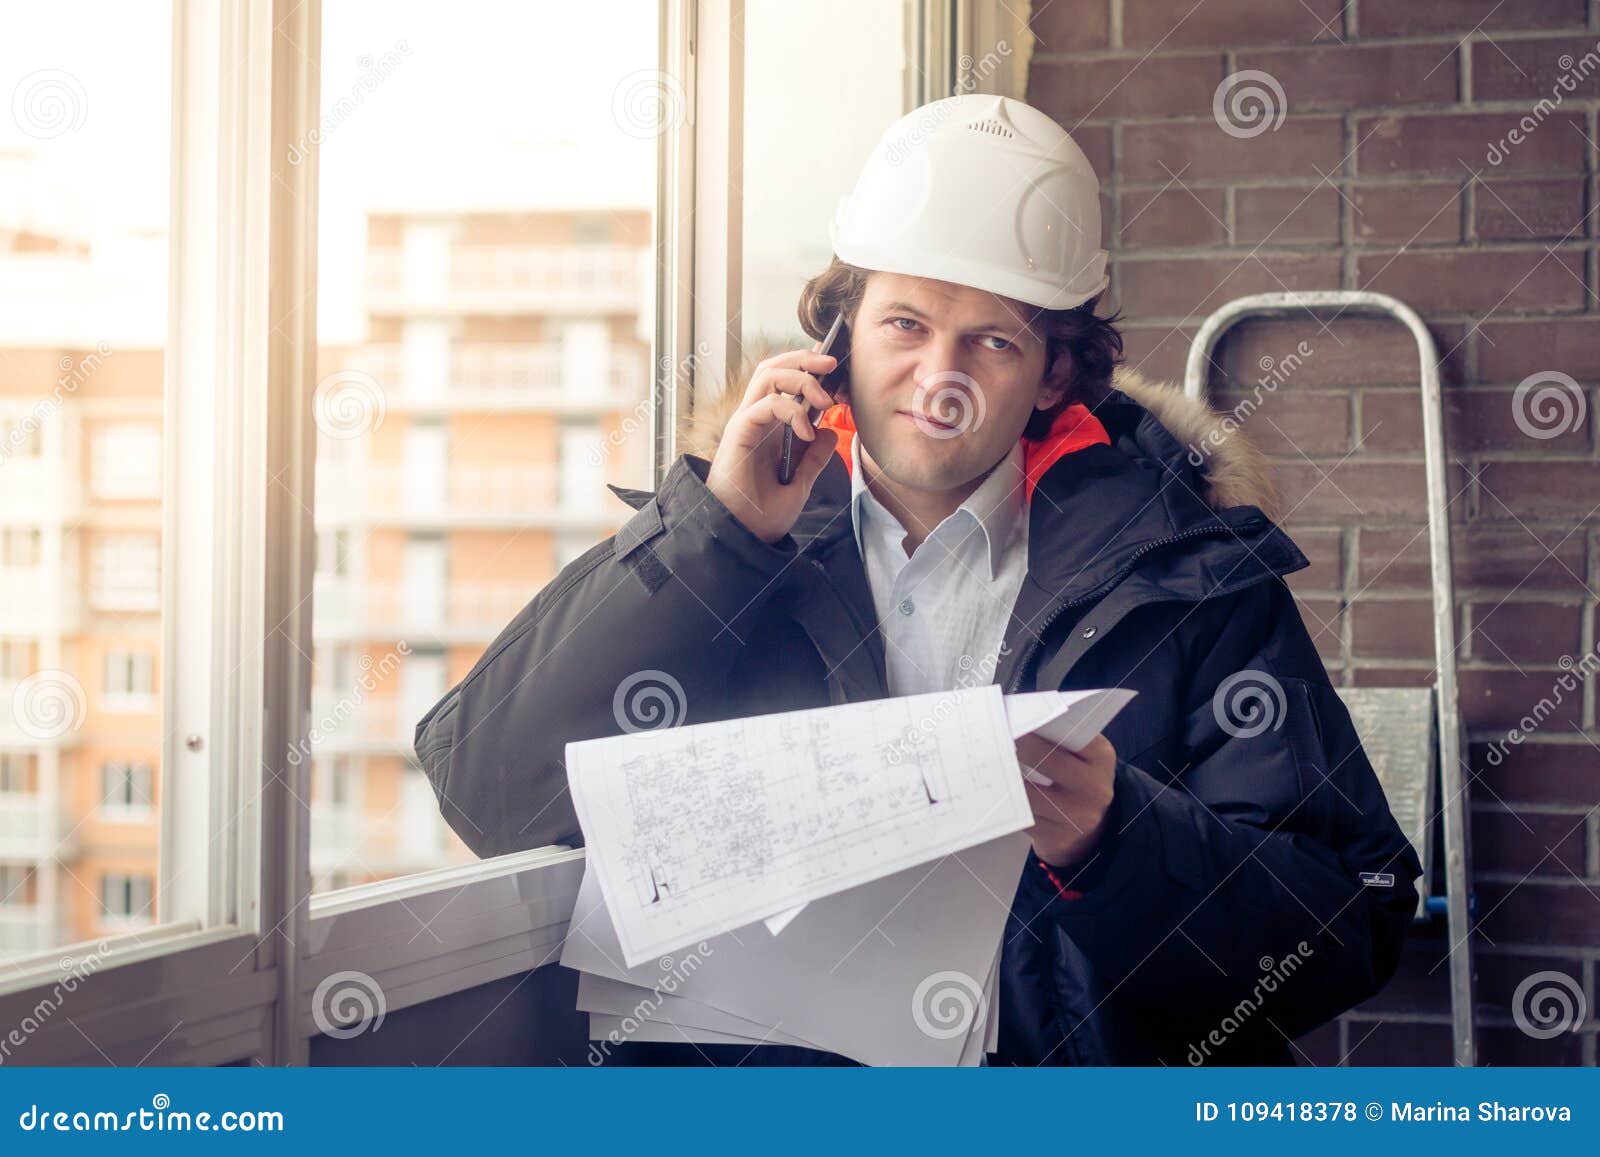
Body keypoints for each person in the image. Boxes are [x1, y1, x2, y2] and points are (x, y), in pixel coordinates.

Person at [414, 94, 1422, 1065]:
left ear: (1053, 376)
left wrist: (1119, 842)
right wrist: (712, 538)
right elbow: (488, 789)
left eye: (990, 340)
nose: (938, 377)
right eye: (904, 325)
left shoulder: (1190, 572)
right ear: (839, 335)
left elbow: (1350, 922)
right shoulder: (715, 554)